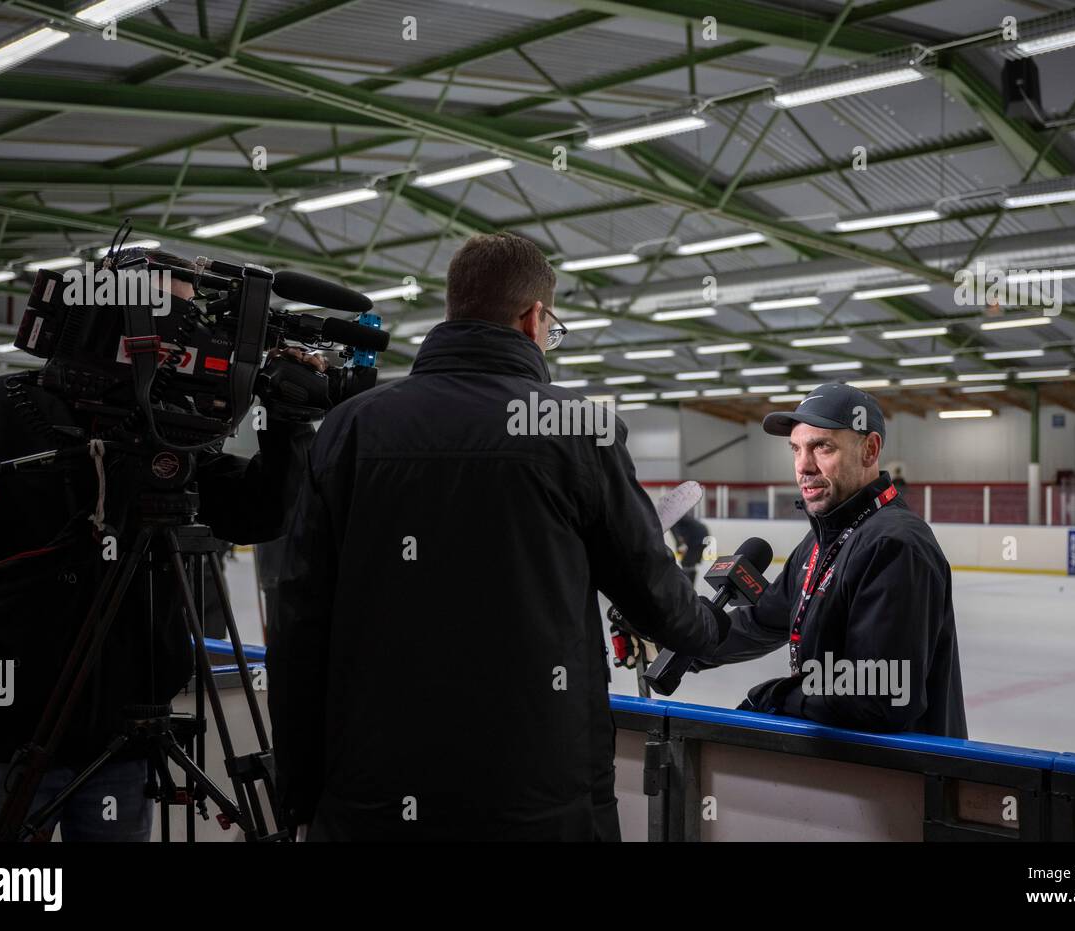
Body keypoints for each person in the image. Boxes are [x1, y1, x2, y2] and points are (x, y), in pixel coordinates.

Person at [268, 231, 728, 842]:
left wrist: (299, 793)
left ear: (454, 307)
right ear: (533, 317)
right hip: (537, 792)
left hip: (373, 794)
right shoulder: (577, 430)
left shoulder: (350, 427)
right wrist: (721, 628)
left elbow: (298, 620)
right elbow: (655, 596)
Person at [0, 249, 317, 841]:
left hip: (123, 729)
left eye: (186, 318)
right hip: (1, 727)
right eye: (163, 315)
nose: (177, 335)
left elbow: (258, 512)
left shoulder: (173, 425)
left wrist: (288, 426)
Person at [695, 384, 966, 738]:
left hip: (904, 777)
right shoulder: (823, 540)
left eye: (822, 447)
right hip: (843, 770)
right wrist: (684, 636)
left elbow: (881, 695)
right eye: (796, 449)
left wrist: (776, 696)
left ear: (869, 450)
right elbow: (762, 621)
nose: (803, 466)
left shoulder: (895, 545)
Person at [670, 512, 709, 588]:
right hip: (703, 536)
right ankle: (689, 587)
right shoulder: (679, 516)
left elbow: (678, 537)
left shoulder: (672, 521)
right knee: (690, 563)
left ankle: (687, 587)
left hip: (698, 539)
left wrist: (678, 547)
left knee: (686, 563)